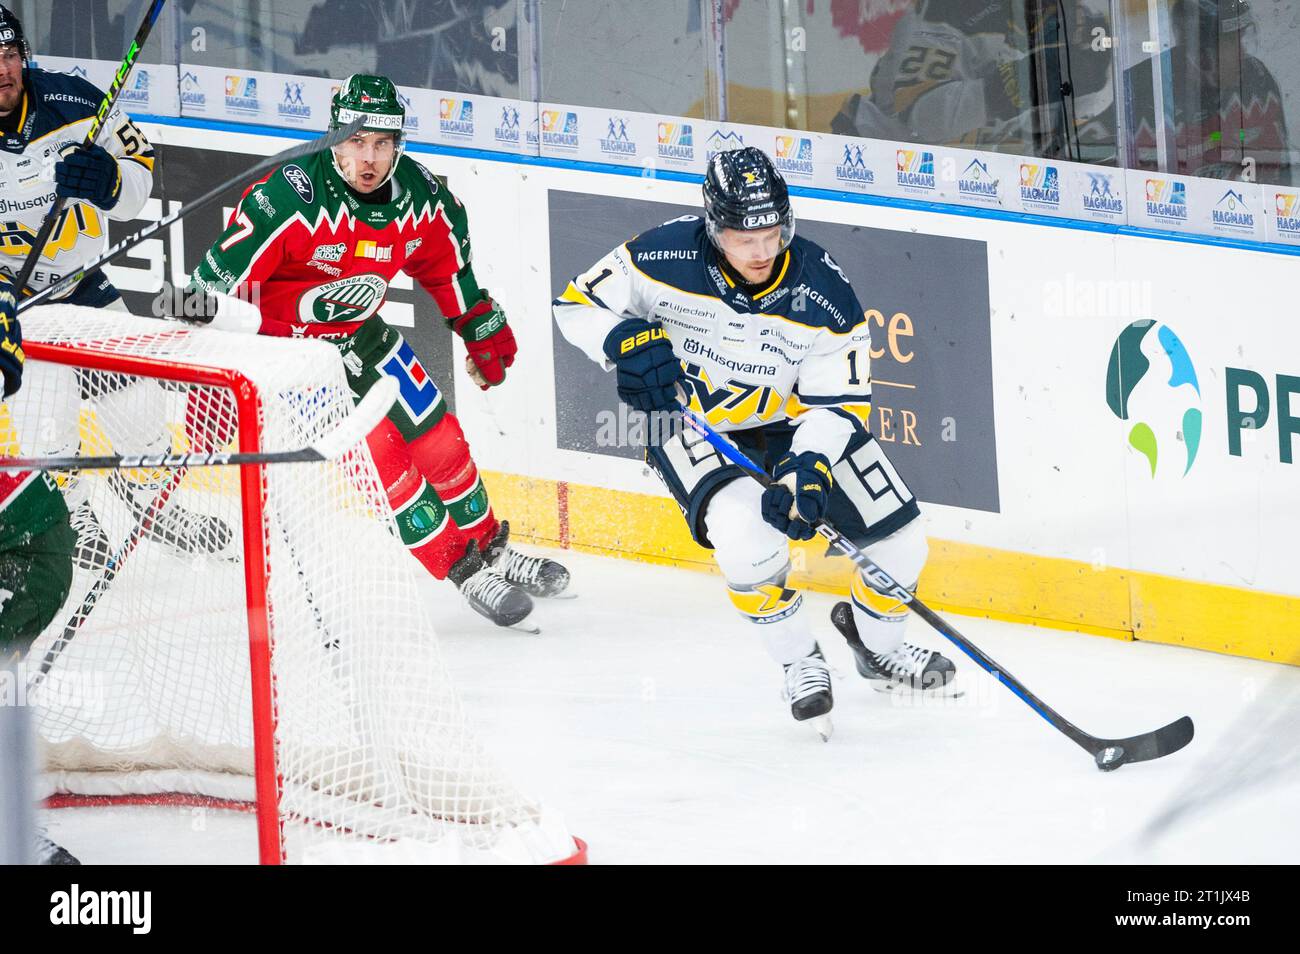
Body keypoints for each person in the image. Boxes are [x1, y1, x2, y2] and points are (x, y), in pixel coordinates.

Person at [553, 146, 957, 730]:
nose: (762, 251)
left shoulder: (823, 290)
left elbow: (837, 402)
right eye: (745, 238)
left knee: (901, 541)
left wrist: (808, 466)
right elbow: (575, 307)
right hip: (692, 422)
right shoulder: (659, 256)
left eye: (772, 233)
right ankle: (799, 659)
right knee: (745, 536)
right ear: (714, 227)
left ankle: (878, 647)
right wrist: (622, 340)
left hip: (794, 422)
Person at [185, 73, 569, 629]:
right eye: (356, 142)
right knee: (383, 455)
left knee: (439, 438)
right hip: (292, 361)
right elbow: (213, 293)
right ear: (334, 140)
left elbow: (450, 272)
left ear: (399, 145)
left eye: (382, 144)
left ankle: (491, 548)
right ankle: (463, 571)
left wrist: (479, 327)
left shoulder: (422, 196)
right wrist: (209, 377)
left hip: (363, 336)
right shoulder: (287, 198)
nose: (368, 158)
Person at [0, 4, 229, 564]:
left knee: (141, 407)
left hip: (81, 286)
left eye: (8, 56)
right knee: (47, 429)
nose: (1, 70)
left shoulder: (76, 103)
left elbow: (140, 181)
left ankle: (152, 501)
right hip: (16, 304)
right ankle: (72, 515)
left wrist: (107, 181)